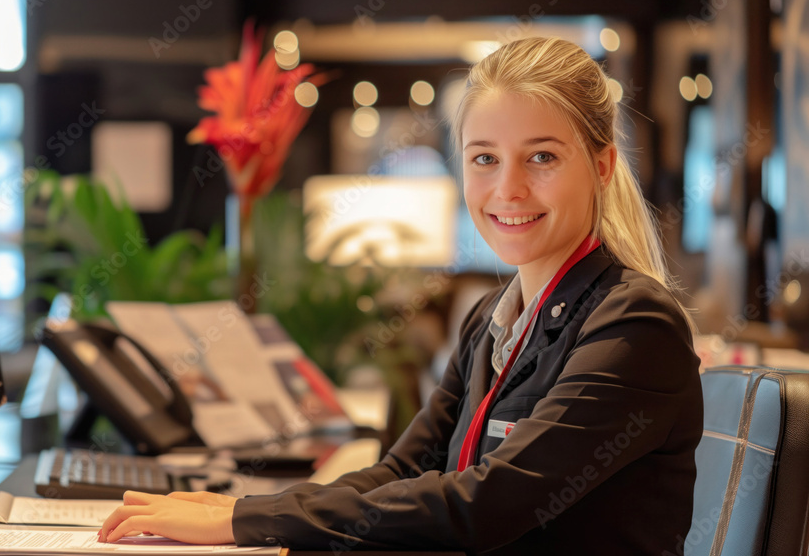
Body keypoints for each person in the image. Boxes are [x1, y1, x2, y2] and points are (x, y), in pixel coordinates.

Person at [98, 36, 702, 555]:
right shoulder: (489, 320)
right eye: (484, 159)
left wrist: (241, 520)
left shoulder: (635, 324)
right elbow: (404, 470)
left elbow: (484, 505)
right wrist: (245, 510)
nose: (508, 188)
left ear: (601, 165)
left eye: (542, 157)